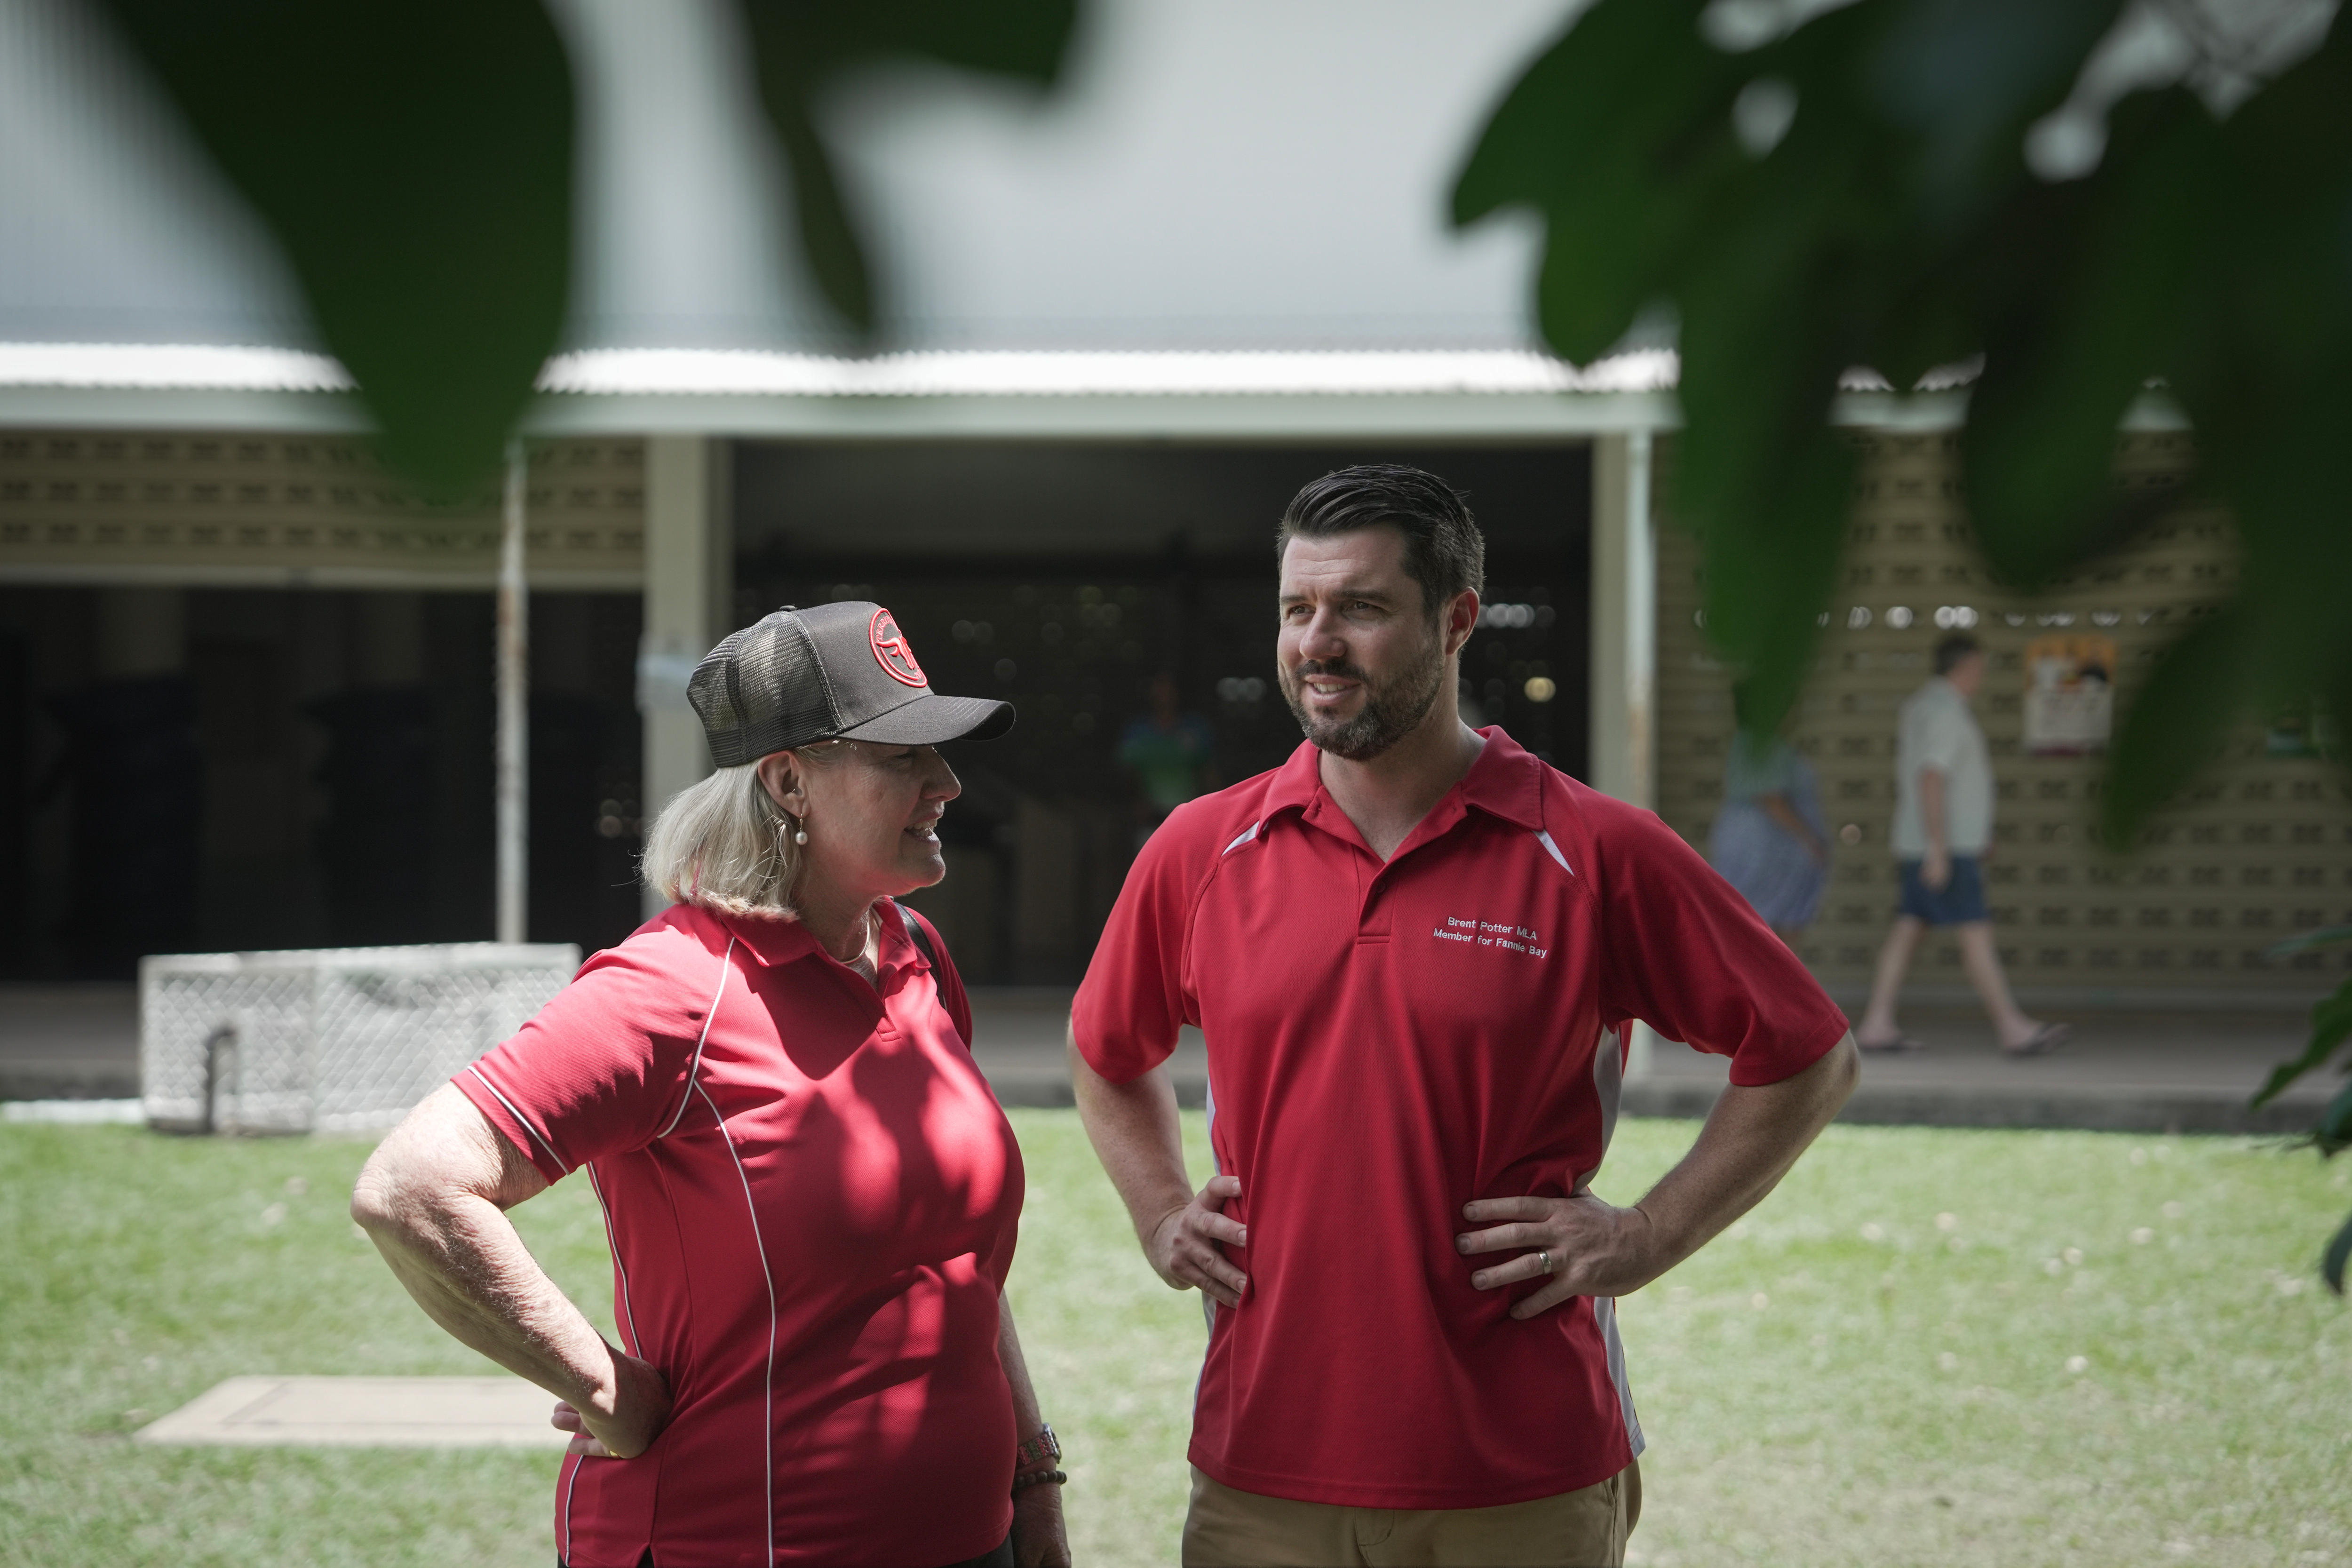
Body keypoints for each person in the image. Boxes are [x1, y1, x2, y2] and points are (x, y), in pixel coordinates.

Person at [1066, 465, 1860, 1568]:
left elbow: (1808, 1054)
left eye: (1361, 607)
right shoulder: (1203, 849)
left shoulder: (1591, 849)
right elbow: (1107, 1052)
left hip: (1521, 1472)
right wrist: (1159, 1211)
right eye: (1297, 609)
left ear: (1456, 620)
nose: (1318, 642)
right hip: (1261, 1470)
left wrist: (1647, 1234)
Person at [351, 602, 1070, 1568]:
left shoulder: (915, 954)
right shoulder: (670, 990)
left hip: (973, 1540)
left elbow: (961, 1261)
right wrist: (607, 1387)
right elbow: (411, 1186)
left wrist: (1032, 1477)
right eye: (903, 757)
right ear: (788, 781)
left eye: (937, 752)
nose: (946, 782)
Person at [1854, 632, 2069, 1057]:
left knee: (1909, 928)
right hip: (1944, 849)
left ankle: (1877, 1023)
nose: (1982, 678)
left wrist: (1972, 834)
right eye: (1980, 668)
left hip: (1928, 843)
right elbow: (1931, 776)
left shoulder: (1920, 705)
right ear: (1967, 665)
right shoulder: (1947, 711)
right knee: (1975, 933)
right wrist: (1941, 848)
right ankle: (2013, 1028)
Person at [1706, 694, 1829, 944]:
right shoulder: (1761, 744)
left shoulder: (1752, 742)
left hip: (1762, 848)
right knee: (1761, 928)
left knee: (1750, 924)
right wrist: (1810, 840)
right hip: (1764, 850)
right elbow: (1771, 799)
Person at [1118, 672, 1218, 834]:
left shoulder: (1195, 729)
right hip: (1149, 818)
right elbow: (1126, 774)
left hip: (1190, 814)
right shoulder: (1137, 733)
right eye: (1160, 688)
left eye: (1169, 688)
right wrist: (1136, 803)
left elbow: (1209, 773)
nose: (1164, 694)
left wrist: (1211, 810)